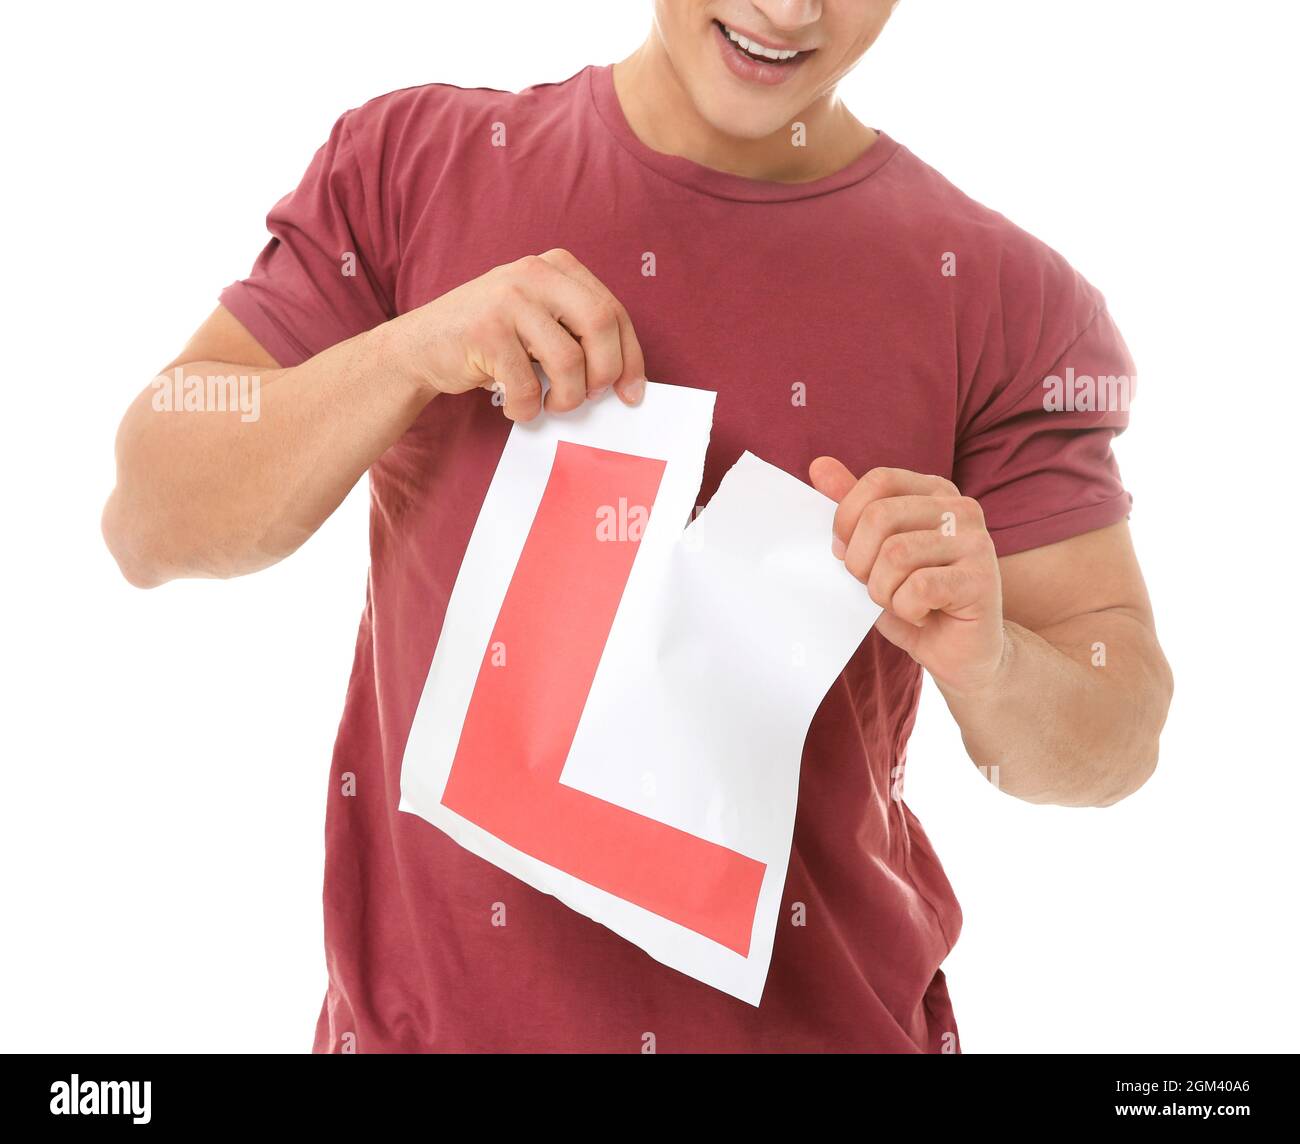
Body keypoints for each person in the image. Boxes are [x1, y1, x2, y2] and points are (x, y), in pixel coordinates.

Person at [102, 1, 1173, 1052]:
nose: (788, 10)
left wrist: (990, 662)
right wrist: (403, 355)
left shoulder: (1007, 299)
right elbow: (148, 518)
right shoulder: (410, 166)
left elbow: (1116, 737)